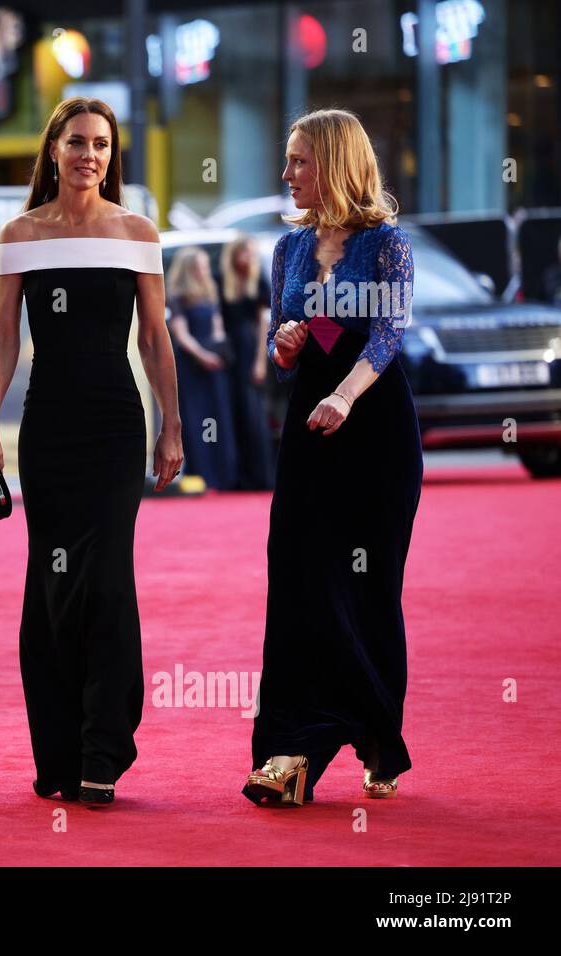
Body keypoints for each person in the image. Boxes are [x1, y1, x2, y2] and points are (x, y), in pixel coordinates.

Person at [0, 97, 183, 807]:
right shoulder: (21, 234)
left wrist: (172, 426)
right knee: (52, 585)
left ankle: (103, 748)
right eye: (77, 141)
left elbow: (154, 337)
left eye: (102, 144)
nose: (90, 154)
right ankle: (58, 755)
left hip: (118, 428)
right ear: (53, 150)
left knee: (107, 580)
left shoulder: (137, 232)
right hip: (49, 430)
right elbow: (4, 337)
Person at [243, 108, 419, 807]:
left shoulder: (387, 245)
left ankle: (379, 738)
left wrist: (345, 397)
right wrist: (282, 345)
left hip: (374, 429)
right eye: (287, 161)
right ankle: (289, 753)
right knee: (295, 584)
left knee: (369, 587)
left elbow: (388, 333)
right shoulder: (287, 250)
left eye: (299, 162)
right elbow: (279, 347)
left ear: (336, 163)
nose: (286, 175)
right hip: (309, 432)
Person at [167, 246, 238, 490]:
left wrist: (218, 352)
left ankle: (222, 475)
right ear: (189, 269)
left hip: (213, 367)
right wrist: (203, 355)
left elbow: (218, 328)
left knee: (217, 417)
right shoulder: (177, 297)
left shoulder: (210, 293)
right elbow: (181, 336)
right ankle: (202, 474)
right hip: (192, 367)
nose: (206, 270)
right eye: (201, 266)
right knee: (196, 418)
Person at [219, 235, 275, 490]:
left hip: (251, 351)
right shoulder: (222, 281)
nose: (249, 258)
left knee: (254, 416)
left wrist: (260, 363)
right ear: (233, 256)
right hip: (229, 353)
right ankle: (236, 476)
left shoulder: (260, 282)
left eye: (252, 254)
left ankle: (260, 476)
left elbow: (265, 323)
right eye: (245, 253)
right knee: (232, 414)